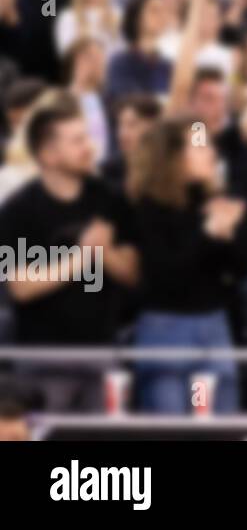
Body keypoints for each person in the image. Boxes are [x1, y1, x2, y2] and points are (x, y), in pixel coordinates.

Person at [0, 96, 139, 410]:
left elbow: (133, 273)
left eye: (87, 136)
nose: (89, 146)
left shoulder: (111, 199)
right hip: (42, 358)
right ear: (48, 154)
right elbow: (20, 288)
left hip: (102, 351)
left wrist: (105, 254)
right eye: (77, 140)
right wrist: (83, 256)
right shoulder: (17, 211)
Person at [127, 116, 247, 414]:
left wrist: (229, 235)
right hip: (168, 332)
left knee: (215, 426)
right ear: (172, 156)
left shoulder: (208, 202)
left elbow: (241, 271)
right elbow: (166, 275)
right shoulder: (147, 208)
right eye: (200, 144)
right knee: (173, 427)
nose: (211, 152)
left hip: (213, 327)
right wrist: (208, 234)